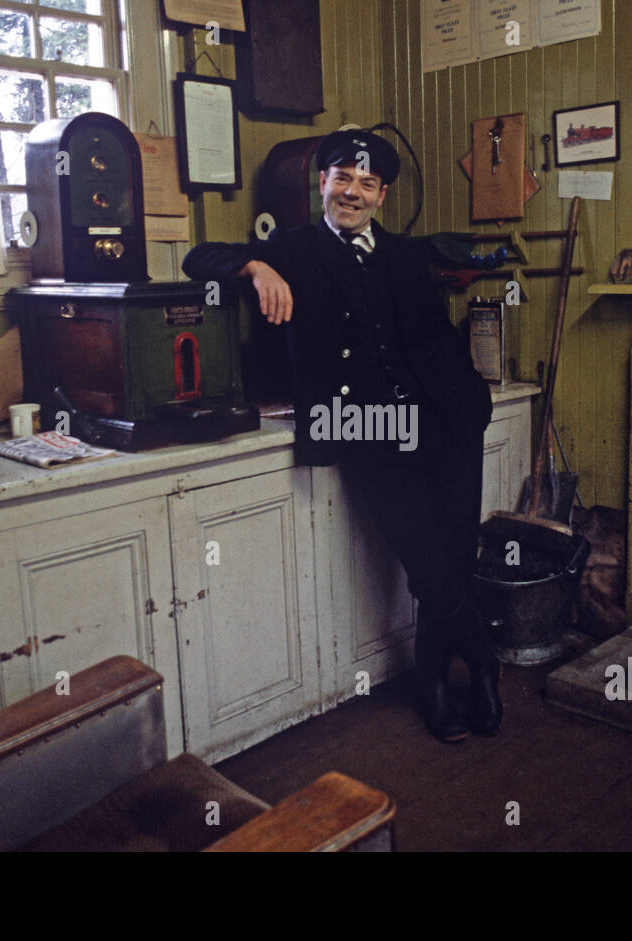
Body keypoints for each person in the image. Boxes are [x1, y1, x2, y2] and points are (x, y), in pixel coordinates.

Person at [182, 130, 500, 743]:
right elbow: (200, 257)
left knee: (458, 556)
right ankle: (480, 664)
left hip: (446, 421)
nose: (352, 192)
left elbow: (434, 338)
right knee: (430, 566)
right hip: (366, 429)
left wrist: (469, 405)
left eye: (367, 183)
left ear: (383, 195)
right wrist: (255, 266)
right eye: (342, 178)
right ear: (322, 182)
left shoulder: (408, 256)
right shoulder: (292, 249)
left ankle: (434, 676)